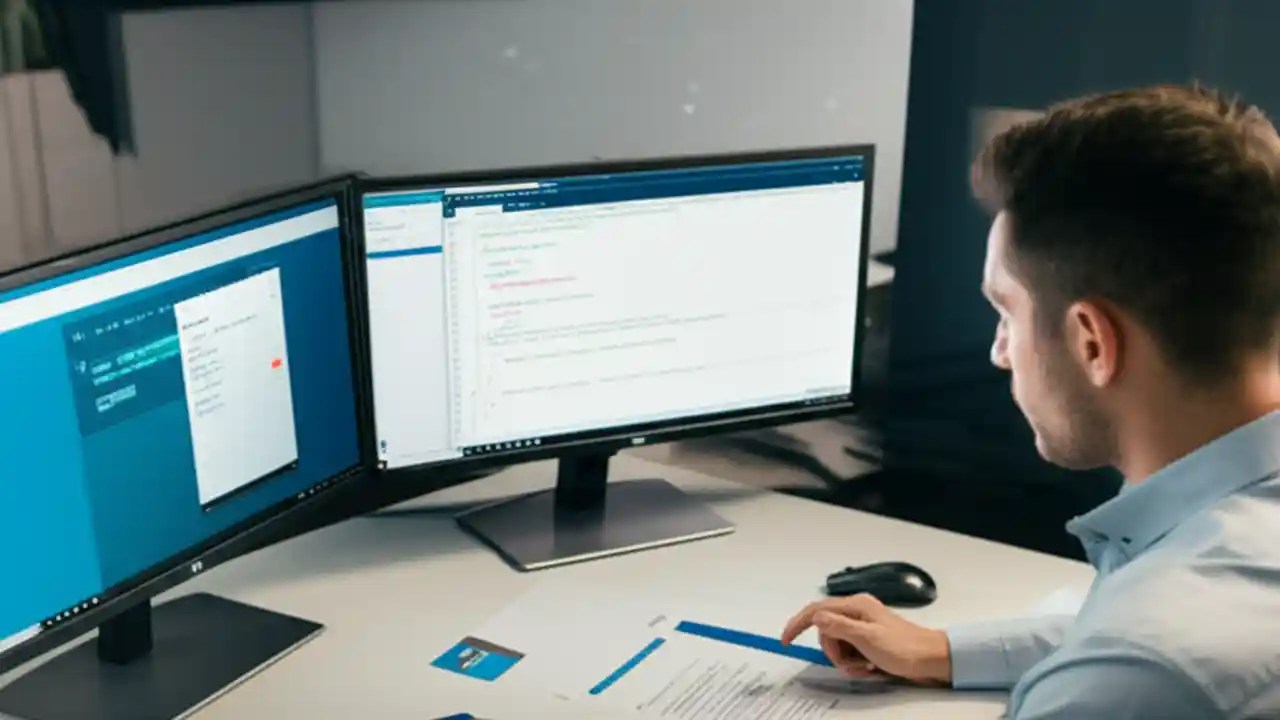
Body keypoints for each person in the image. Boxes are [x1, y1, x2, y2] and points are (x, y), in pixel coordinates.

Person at [781, 84, 1280, 718]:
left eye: (1006, 311)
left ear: (1091, 341)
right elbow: (1136, 624)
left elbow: (1141, 661)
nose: (999, 351)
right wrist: (943, 649)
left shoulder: (1132, 680)